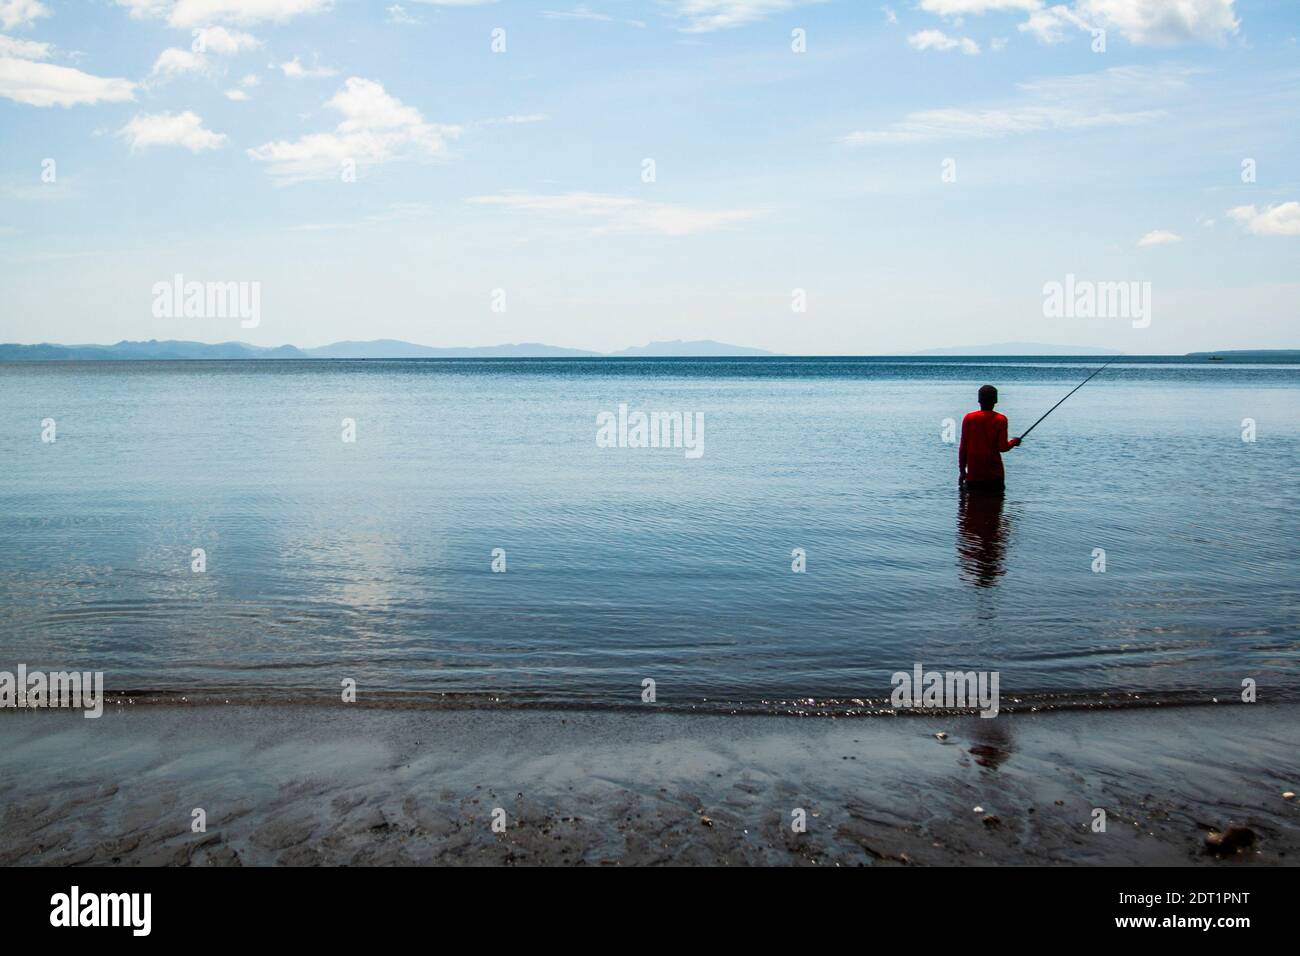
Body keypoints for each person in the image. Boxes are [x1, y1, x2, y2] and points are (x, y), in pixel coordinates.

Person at [958, 385, 1020, 492]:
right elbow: (1003, 447)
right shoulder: (1001, 419)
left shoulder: (969, 418)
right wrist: (1014, 442)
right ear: (995, 400)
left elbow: (963, 448)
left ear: (979, 400)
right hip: (994, 475)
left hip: (974, 475)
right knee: (996, 507)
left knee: (972, 507)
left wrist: (962, 471)